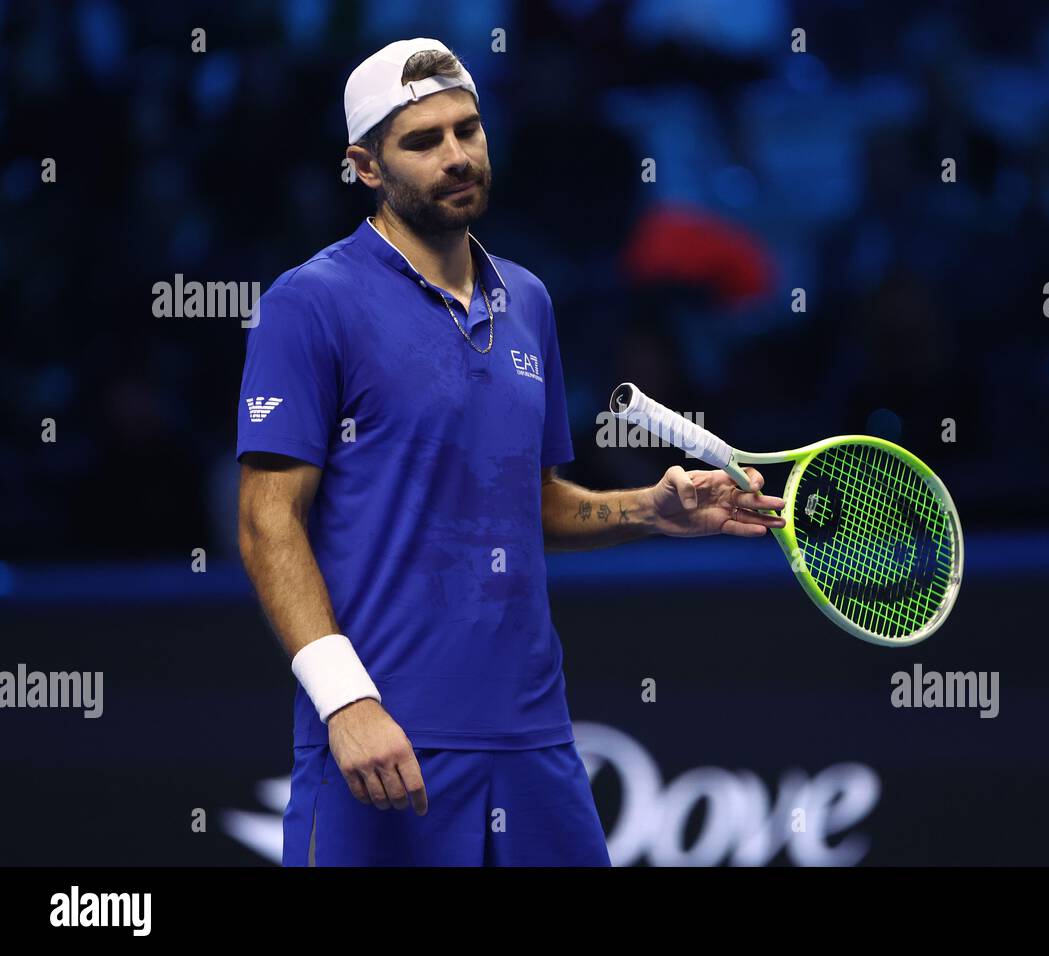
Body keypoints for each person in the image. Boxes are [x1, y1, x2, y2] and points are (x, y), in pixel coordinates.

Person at [236, 38, 786, 866]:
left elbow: (531, 504)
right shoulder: (309, 303)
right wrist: (345, 703)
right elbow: (264, 519)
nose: (456, 156)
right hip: (386, 739)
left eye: (468, 129)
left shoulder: (526, 300)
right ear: (366, 166)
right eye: (423, 142)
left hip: (535, 744)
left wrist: (652, 510)